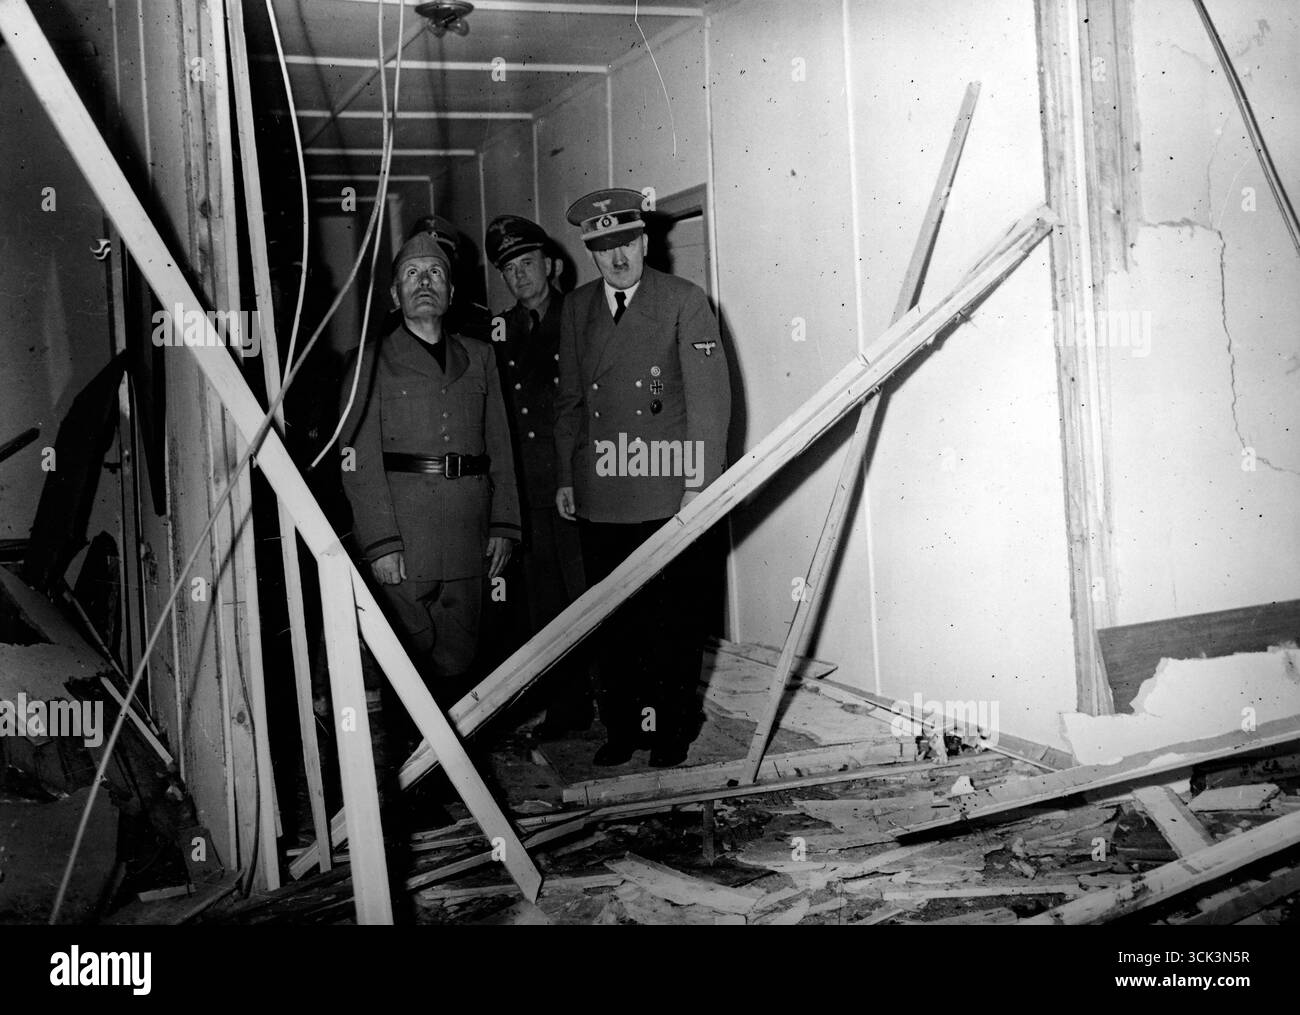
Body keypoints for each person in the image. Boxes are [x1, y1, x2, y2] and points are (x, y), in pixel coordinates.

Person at [554, 188, 731, 768]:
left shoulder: (684, 300)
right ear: (591, 252)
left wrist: (699, 484)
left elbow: (709, 403)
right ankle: (623, 725)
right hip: (601, 488)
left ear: (644, 240)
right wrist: (565, 476)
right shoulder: (577, 309)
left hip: (663, 489)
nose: (618, 258)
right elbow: (571, 402)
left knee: (671, 620)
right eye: (604, 248)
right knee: (613, 619)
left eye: (626, 242)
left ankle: (673, 725)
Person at [339, 228, 520, 717]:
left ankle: (454, 779)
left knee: (462, 665)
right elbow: (356, 461)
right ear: (395, 295)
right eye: (412, 275)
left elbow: (499, 444)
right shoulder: (370, 362)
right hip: (405, 535)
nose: (425, 282)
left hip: (468, 531)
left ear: (451, 292)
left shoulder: (480, 356)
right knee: (409, 665)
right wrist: (380, 542)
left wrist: (504, 525)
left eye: (436, 273)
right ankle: (414, 784)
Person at [484, 214, 593, 738]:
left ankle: (620, 704)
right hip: (529, 493)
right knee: (547, 610)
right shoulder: (498, 332)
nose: (519, 275)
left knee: (593, 597)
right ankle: (567, 708)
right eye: (509, 268)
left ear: (550, 266)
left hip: (580, 486)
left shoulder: (581, 315)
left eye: (526, 263)